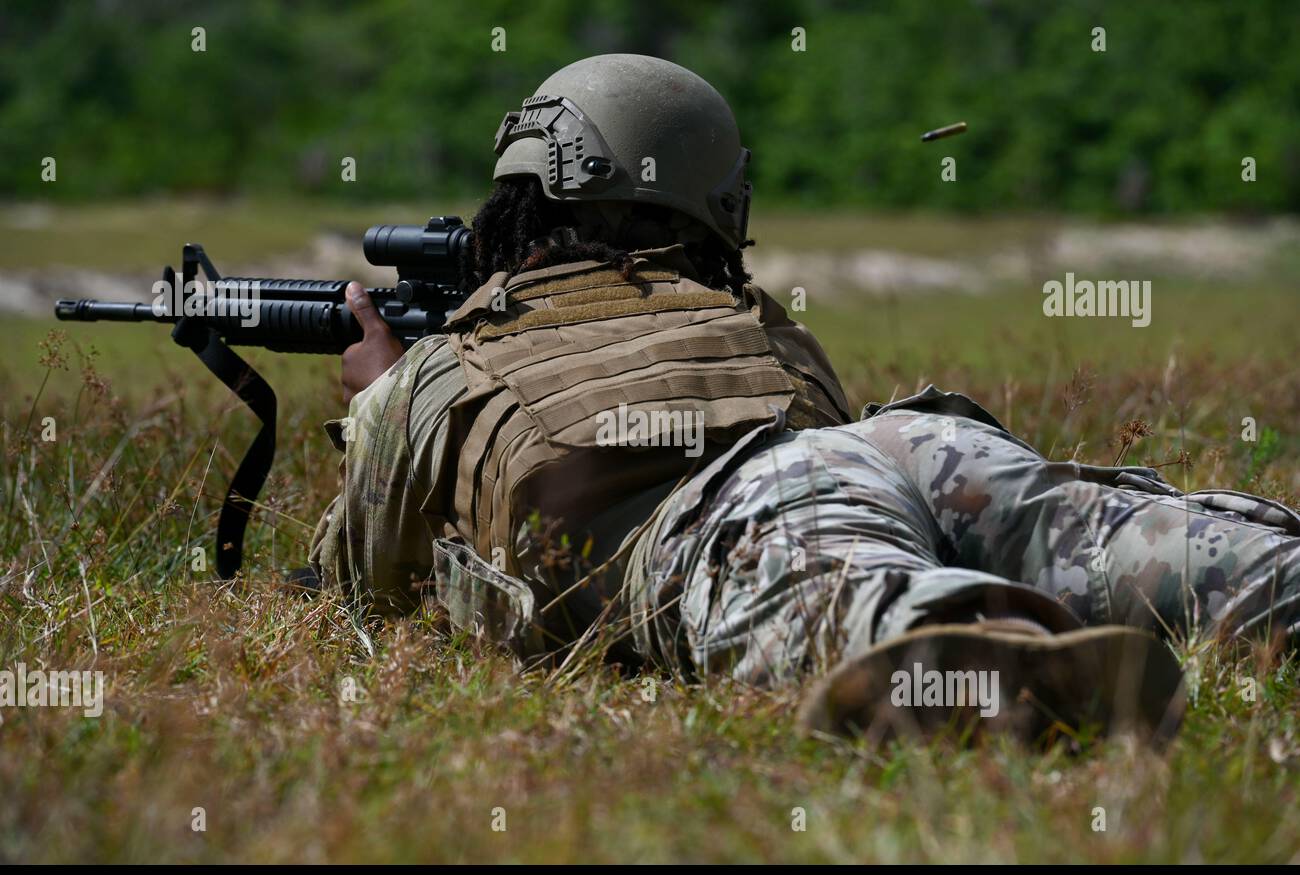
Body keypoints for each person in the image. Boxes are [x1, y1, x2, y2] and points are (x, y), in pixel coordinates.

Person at [310, 54, 1300, 744]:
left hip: (737, 518)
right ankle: (1263, 576)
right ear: (715, 203)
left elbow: (368, 584)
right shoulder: (757, 321)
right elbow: (819, 437)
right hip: (903, 446)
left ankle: (984, 658)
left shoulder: (448, 373)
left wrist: (377, 399)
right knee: (1094, 533)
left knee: (855, 596)